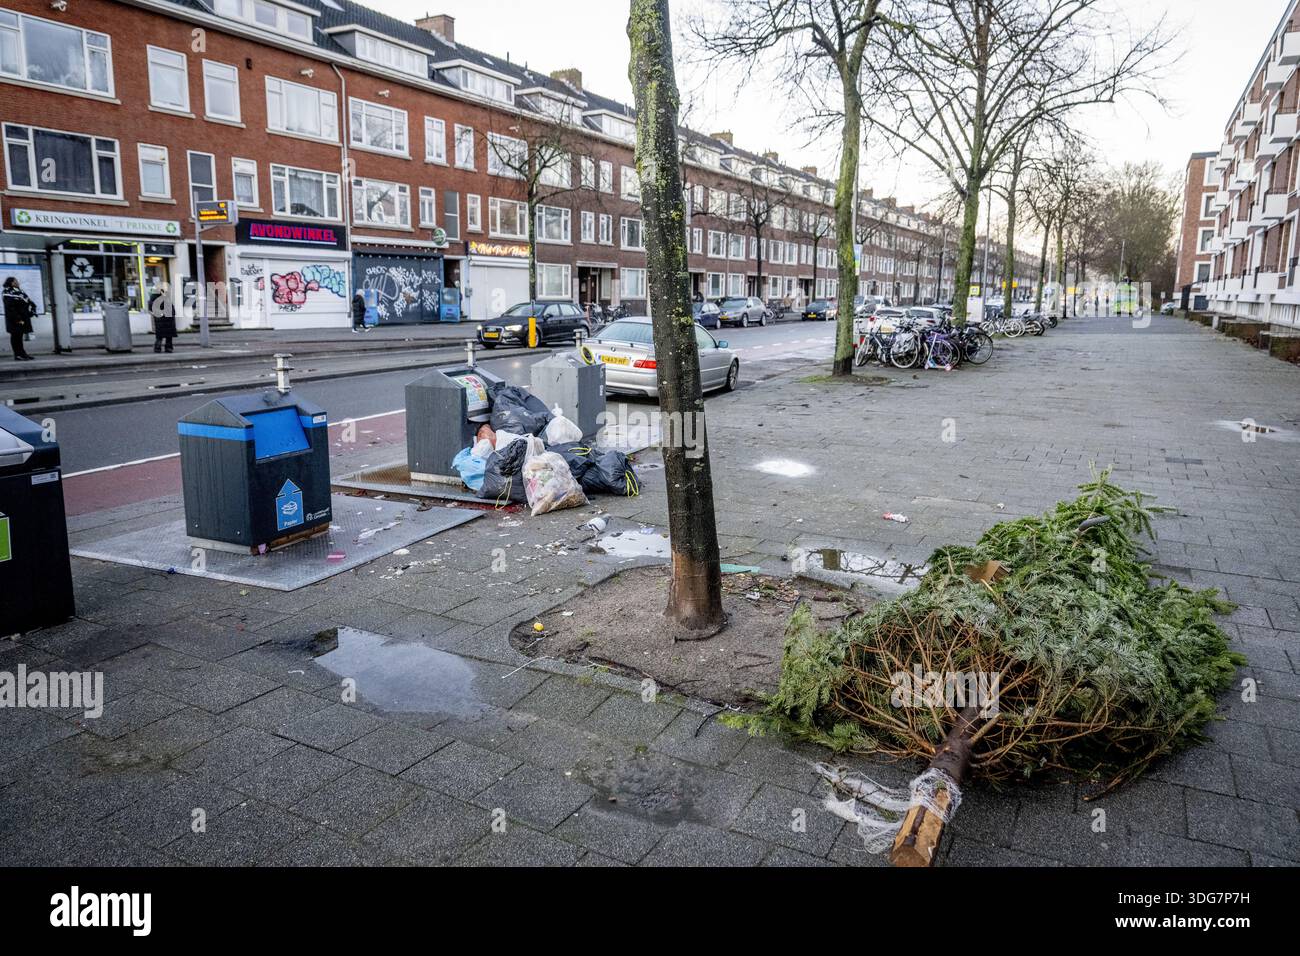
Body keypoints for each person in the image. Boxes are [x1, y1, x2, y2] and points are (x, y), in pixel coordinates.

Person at [3, 275, 36, 361]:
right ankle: (18, 355)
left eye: (16, 281)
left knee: (19, 337)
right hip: (15, 320)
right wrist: (18, 319)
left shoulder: (19, 291)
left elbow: (27, 302)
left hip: (22, 318)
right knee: (15, 337)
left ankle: (23, 354)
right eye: (15, 281)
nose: (17, 282)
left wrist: (31, 310)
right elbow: (10, 308)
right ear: (11, 283)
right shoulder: (7, 292)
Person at [148, 283, 177, 353]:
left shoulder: (156, 296)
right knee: (165, 335)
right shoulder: (160, 296)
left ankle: (160, 348)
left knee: (162, 335)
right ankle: (166, 348)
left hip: (165, 317)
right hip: (164, 317)